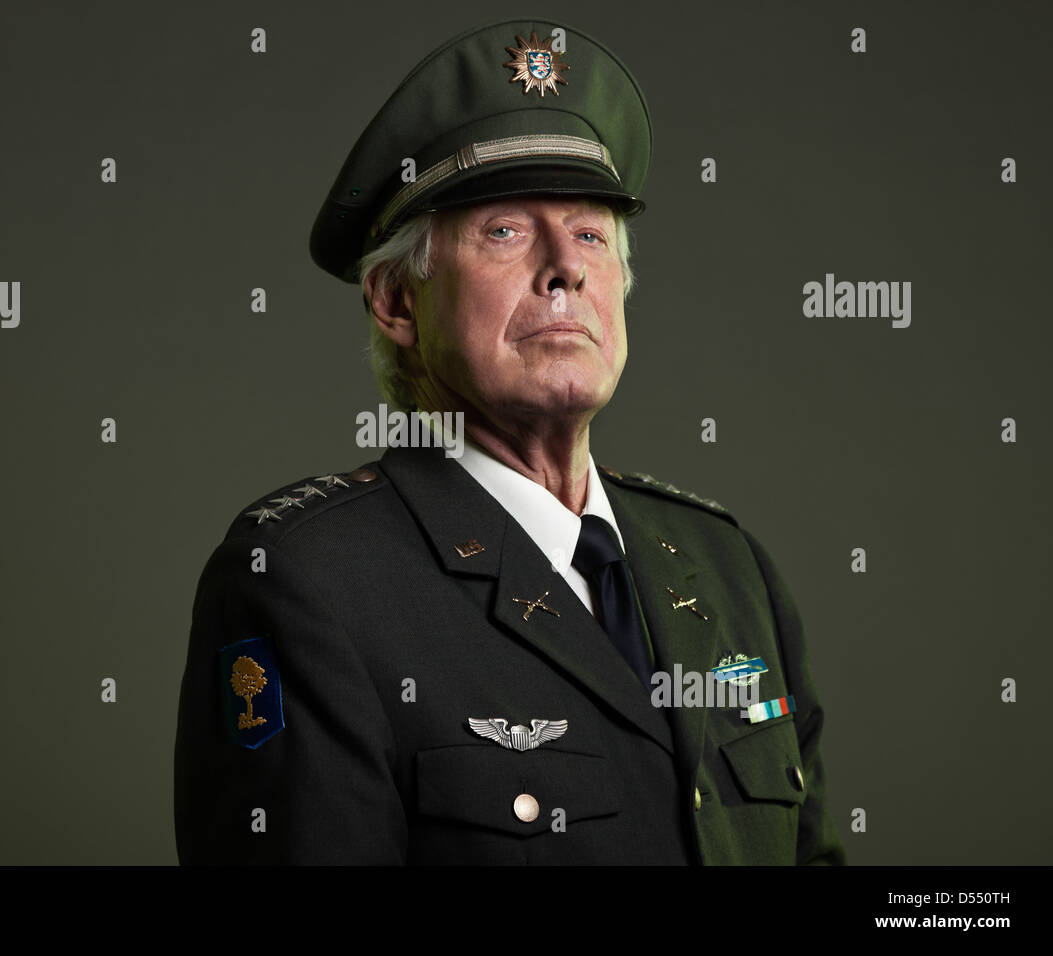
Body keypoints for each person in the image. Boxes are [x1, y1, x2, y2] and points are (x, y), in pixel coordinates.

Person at [174, 18, 846, 865]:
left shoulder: (727, 565)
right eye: (505, 230)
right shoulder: (308, 583)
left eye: (592, 233)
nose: (564, 264)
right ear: (397, 301)